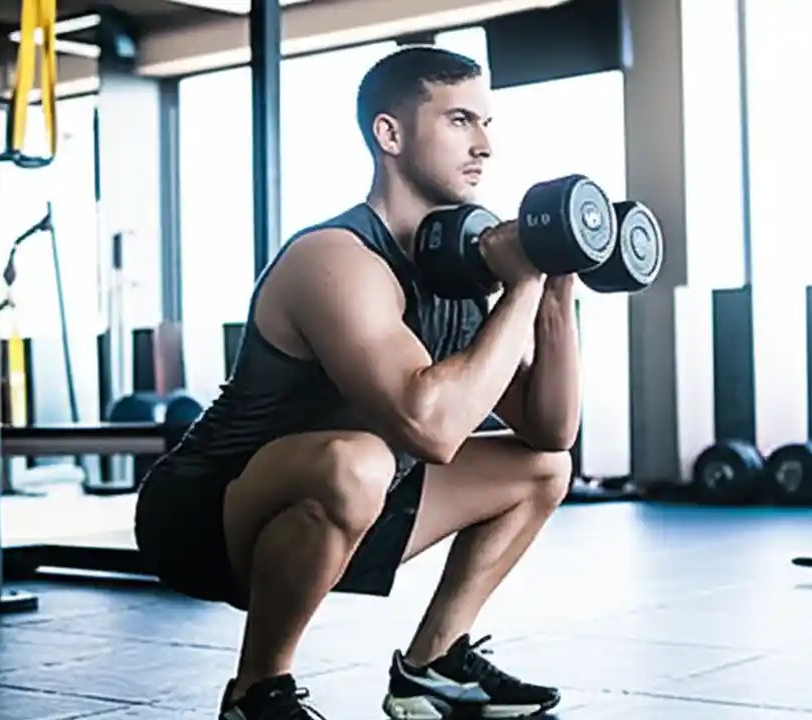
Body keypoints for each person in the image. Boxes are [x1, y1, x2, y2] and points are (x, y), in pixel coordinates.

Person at [134, 45, 581, 720]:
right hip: (203, 518)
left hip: (356, 496)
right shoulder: (337, 258)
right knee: (360, 460)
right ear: (389, 134)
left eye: (488, 124)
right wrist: (519, 283)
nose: (485, 145)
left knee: (543, 468)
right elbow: (431, 428)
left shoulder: (455, 275)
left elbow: (551, 429)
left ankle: (432, 665)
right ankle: (258, 693)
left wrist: (553, 287)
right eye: (461, 120)